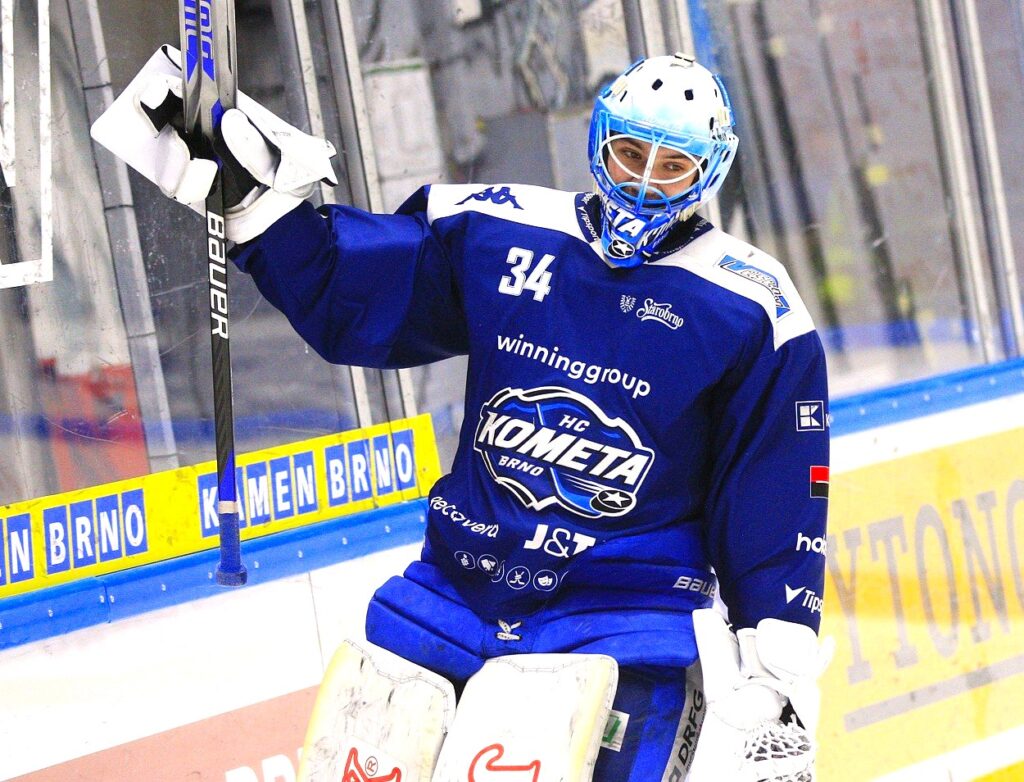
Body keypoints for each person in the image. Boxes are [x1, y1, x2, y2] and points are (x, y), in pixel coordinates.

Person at [101, 49, 831, 781]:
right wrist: (265, 214)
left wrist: (776, 642)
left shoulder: (752, 304)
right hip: (453, 599)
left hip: (621, 622)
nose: (642, 179)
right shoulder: (501, 229)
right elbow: (358, 292)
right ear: (599, 140)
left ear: (711, 168)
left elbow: (774, 484)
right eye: (629, 151)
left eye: (670, 165)